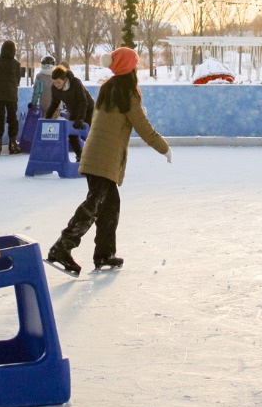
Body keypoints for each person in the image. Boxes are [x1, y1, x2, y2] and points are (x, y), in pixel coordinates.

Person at [45, 47, 171, 276]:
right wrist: (164, 148)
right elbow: (143, 127)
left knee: (110, 206)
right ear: (130, 68)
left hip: (96, 153)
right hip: (103, 158)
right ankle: (62, 247)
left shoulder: (108, 88)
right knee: (94, 205)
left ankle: (104, 254)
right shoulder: (127, 94)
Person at [44, 64, 95, 162]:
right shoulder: (54, 88)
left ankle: (94, 156)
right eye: (54, 83)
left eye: (58, 82)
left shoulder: (75, 83)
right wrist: (48, 116)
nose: (56, 85)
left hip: (87, 108)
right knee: (72, 135)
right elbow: (54, 103)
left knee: (86, 134)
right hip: (74, 110)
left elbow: (83, 102)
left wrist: (80, 119)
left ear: (64, 79)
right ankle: (80, 156)